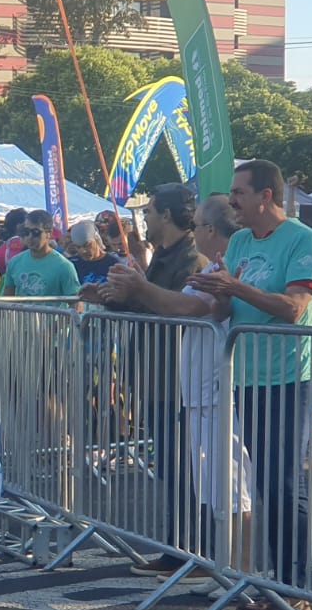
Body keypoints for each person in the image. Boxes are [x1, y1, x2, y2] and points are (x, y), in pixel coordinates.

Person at [186, 158, 312, 610]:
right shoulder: (241, 241)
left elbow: (293, 308)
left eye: (239, 192)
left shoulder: (303, 240)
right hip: (248, 377)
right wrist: (216, 291)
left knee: (285, 485)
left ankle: (294, 590)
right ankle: (280, 585)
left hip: (292, 376)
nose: (232, 201)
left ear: (266, 195)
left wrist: (233, 285)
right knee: (268, 483)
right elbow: (227, 304)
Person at [106, 195, 254, 584]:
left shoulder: (196, 261)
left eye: (150, 212)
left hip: (201, 387)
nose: (146, 220)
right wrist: (122, 298)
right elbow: (165, 305)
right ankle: (202, 557)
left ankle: (222, 564)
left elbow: (187, 308)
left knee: (224, 483)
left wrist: (137, 288)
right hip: (183, 385)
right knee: (196, 477)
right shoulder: (175, 258)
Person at [0, 210, 81, 299]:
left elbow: (76, 304)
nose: (30, 237)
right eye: (26, 231)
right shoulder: (15, 262)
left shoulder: (64, 266)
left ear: (49, 233)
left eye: (36, 232)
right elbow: (6, 299)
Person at [67, 221, 121, 286]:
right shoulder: (71, 265)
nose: (83, 251)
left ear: (97, 240)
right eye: (78, 247)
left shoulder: (113, 264)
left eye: (87, 245)